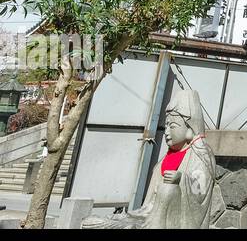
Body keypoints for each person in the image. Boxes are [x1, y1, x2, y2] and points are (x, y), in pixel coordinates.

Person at [84, 88, 215, 229]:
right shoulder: (165, 159)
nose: (167, 132)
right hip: (150, 213)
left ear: (189, 128)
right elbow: (149, 204)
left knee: (168, 190)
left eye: (173, 126)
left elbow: (201, 192)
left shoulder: (201, 153)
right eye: (166, 126)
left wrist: (182, 179)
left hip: (177, 220)